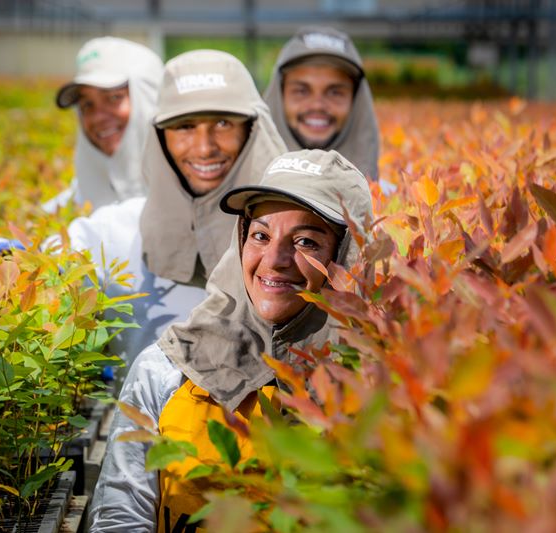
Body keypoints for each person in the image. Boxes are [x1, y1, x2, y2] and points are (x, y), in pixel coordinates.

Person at [87, 149, 373, 532]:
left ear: (347, 257)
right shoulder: (167, 367)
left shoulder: (377, 388)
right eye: (260, 235)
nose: (274, 259)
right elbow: (120, 518)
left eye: (306, 241)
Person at [58, 49, 286, 369]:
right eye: (185, 127)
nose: (205, 147)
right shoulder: (116, 231)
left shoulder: (301, 239)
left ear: (252, 129)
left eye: (222, 123)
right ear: (160, 137)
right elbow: (51, 261)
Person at [44, 37, 163, 212]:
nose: (97, 117)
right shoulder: (81, 197)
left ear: (150, 97)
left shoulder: (196, 194)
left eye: (114, 97)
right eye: (87, 105)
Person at [263, 26, 380, 181]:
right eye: (301, 91)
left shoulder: (387, 199)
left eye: (335, 92)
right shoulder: (236, 198)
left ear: (356, 100)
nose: (317, 105)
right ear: (279, 97)